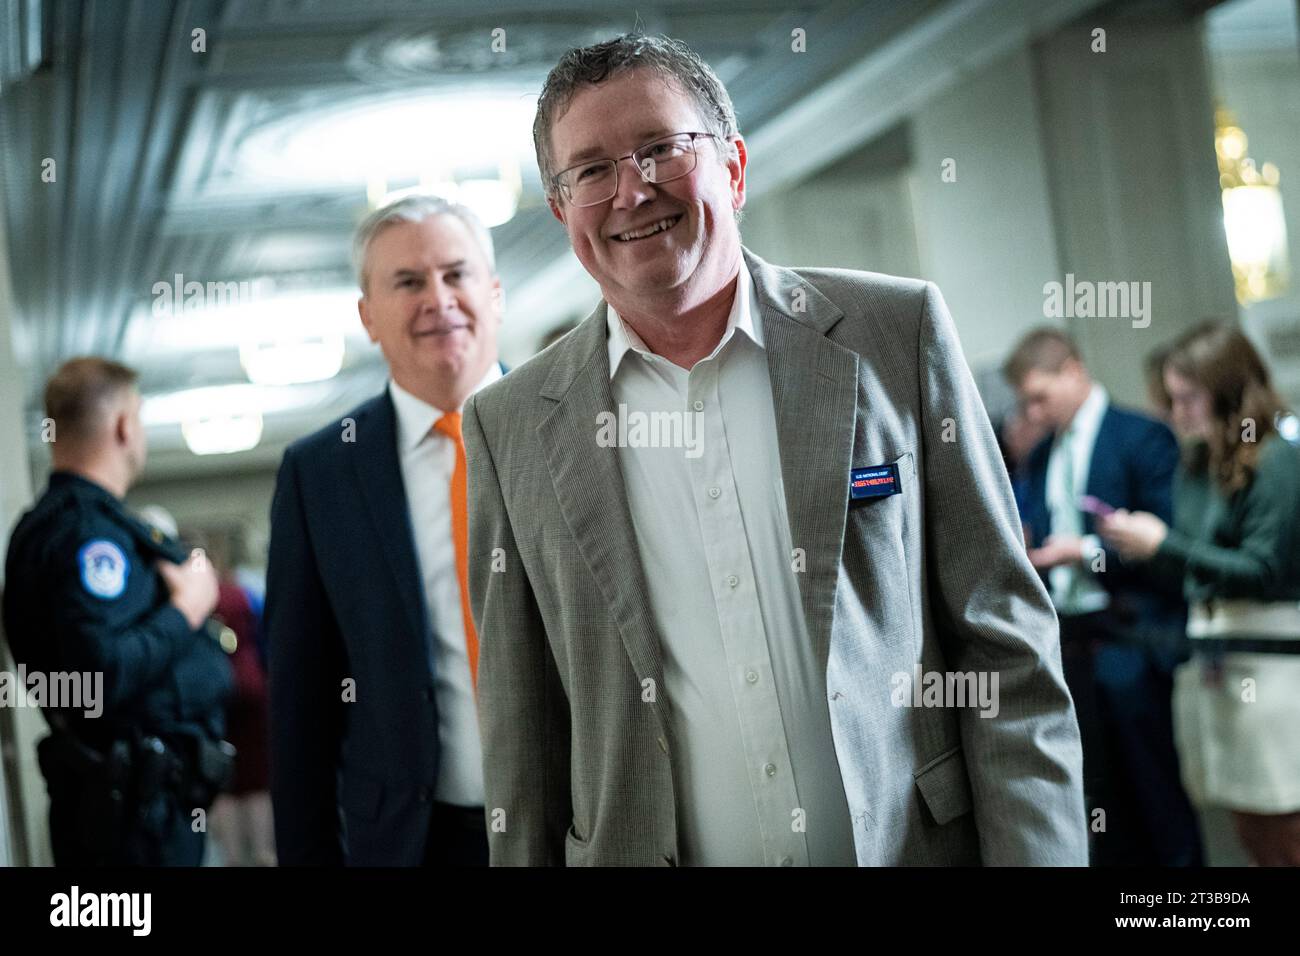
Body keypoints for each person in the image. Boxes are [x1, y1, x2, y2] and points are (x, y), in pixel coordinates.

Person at [463, 33, 1085, 866]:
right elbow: (523, 731)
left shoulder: (895, 336)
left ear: (734, 165)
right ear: (560, 209)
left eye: (661, 149)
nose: (632, 190)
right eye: (591, 170)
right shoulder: (509, 426)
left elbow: (1004, 649)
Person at [266, 195, 505, 866]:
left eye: (456, 273)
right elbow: (301, 705)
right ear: (368, 317)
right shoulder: (319, 474)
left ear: (495, 293)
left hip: (588, 825)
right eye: (407, 282)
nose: (439, 298)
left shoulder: (576, 430)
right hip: (418, 842)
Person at [2, 357, 233, 866]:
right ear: (125, 426)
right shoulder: (90, 535)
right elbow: (99, 675)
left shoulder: (42, 527)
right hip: (135, 819)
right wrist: (187, 608)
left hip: (124, 807)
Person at [1099, 321, 1300, 866]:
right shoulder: (1195, 463)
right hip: (1216, 654)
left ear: (1229, 391)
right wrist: (1143, 548)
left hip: (1273, 660)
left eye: (1188, 397)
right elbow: (1192, 567)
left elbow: (1260, 570)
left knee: (1283, 817)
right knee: (1248, 824)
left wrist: (1164, 544)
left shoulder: (1275, 458)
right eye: (1172, 397)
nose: (1176, 411)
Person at [1004, 327, 1200, 866]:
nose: (1034, 412)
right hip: (1071, 646)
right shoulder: (1042, 456)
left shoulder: (1141, 436)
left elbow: (1170, 544)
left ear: (1073, 370)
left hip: (1131, 636)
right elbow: (1041, 529)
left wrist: (1086, 551)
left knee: (1154, 793)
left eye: (1040, 396)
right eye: (1025, 403)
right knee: (1099, 802)